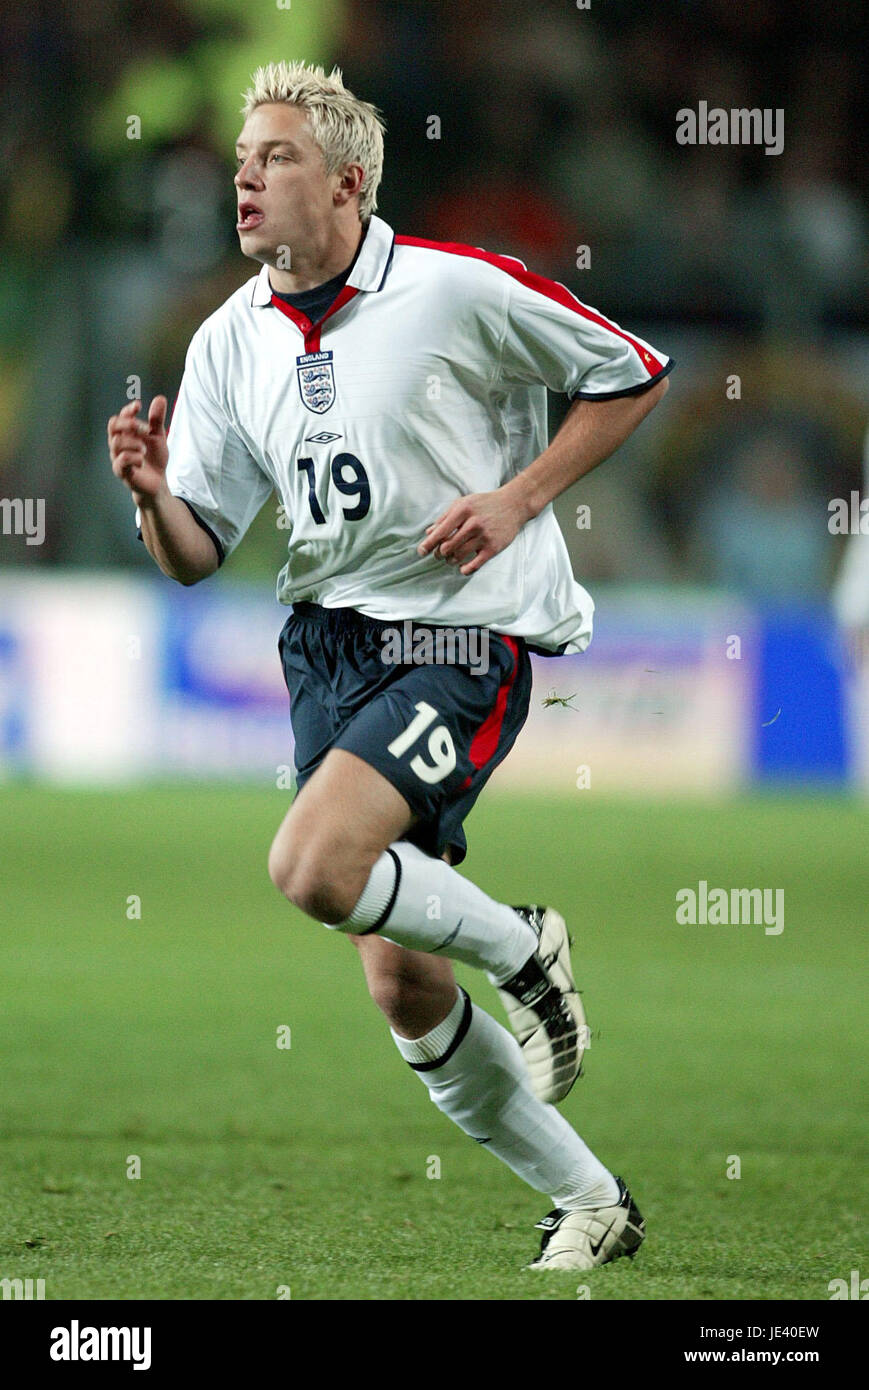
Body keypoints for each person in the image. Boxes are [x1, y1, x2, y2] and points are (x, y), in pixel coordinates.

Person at [107, 61, 673, 1272]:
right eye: (243, 161)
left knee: (312, 865)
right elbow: (195, 554)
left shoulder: (450, 289)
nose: (245, 178)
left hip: (459, 632)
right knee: (402, 987)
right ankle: (591, 1203)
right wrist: (157, 498)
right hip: (328, 644)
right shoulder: (227, 340)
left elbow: (629, 371)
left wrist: (516, 500)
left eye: (277, 158)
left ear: (349, 181)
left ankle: (525, 948)